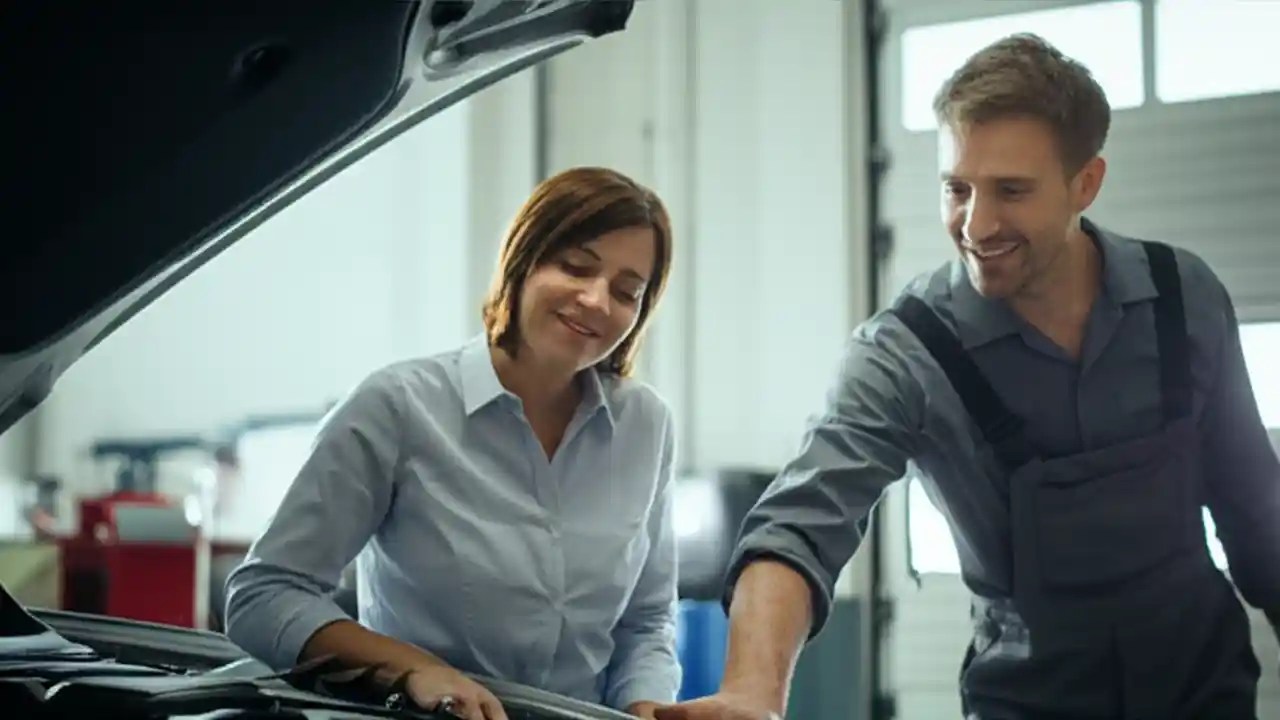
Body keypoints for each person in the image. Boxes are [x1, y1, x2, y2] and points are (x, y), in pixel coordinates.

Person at [656, 34, 1280, 720]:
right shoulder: (906, 351)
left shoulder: (1183, 296)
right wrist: (753, 690)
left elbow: (1260, 520)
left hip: (1203, 697)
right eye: (957, 188)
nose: (976, 224)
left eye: (1011, 191)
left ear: (1086, 183)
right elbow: (801, 524)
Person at [225, 166, 682, 720]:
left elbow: (646, 620)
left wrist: (648, 706)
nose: (596, 300)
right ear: (523, 260)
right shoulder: (398, 406)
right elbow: (264, 595)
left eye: (626, 291)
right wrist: (414, 668)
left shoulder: (647, 425)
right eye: (575, 267)